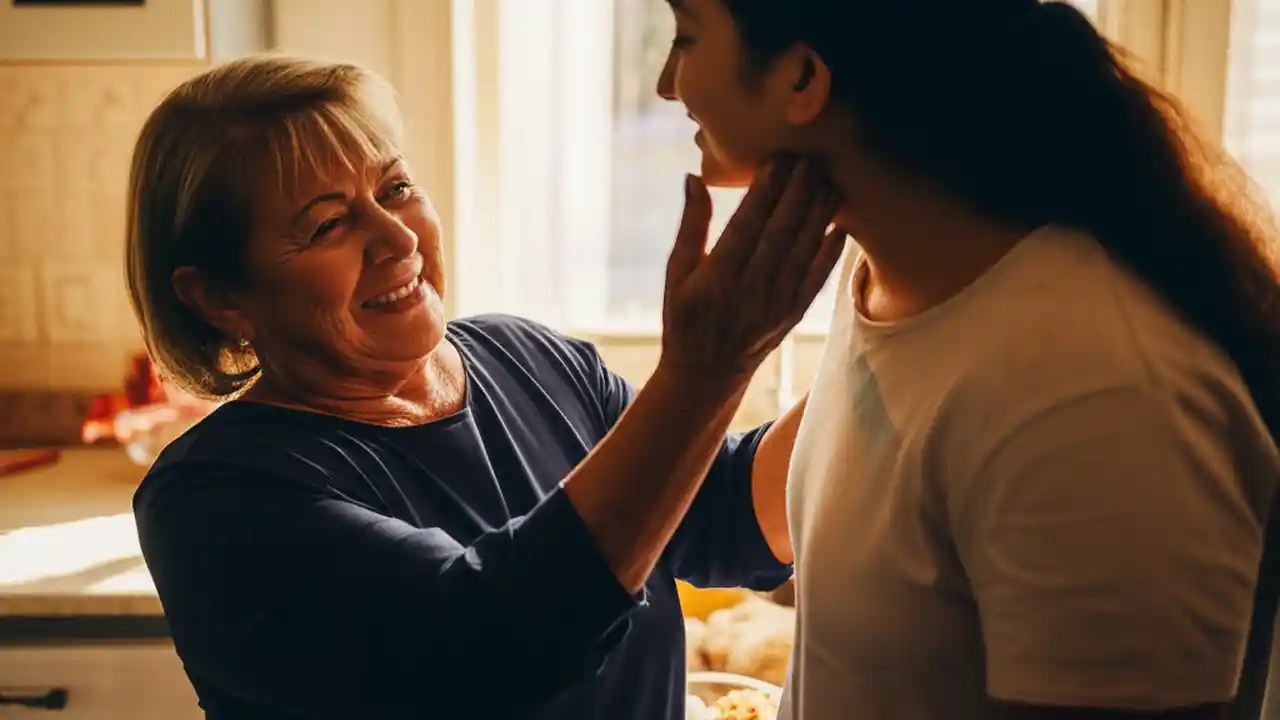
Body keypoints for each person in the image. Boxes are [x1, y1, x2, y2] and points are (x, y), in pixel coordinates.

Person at [126, 55, 843, 719]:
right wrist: (704, 370)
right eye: (329, 224)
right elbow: (489, 646)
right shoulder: (214, 501)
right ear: (221, 298)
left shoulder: (527, 357)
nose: (399, 238)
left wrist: (883, 326)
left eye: (395, 188)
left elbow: (724, 510)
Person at [656, 0, 1280, 718]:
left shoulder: (1092, 394)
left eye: (686, 37)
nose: (667, 84)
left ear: (802, 77)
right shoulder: (892, 270)